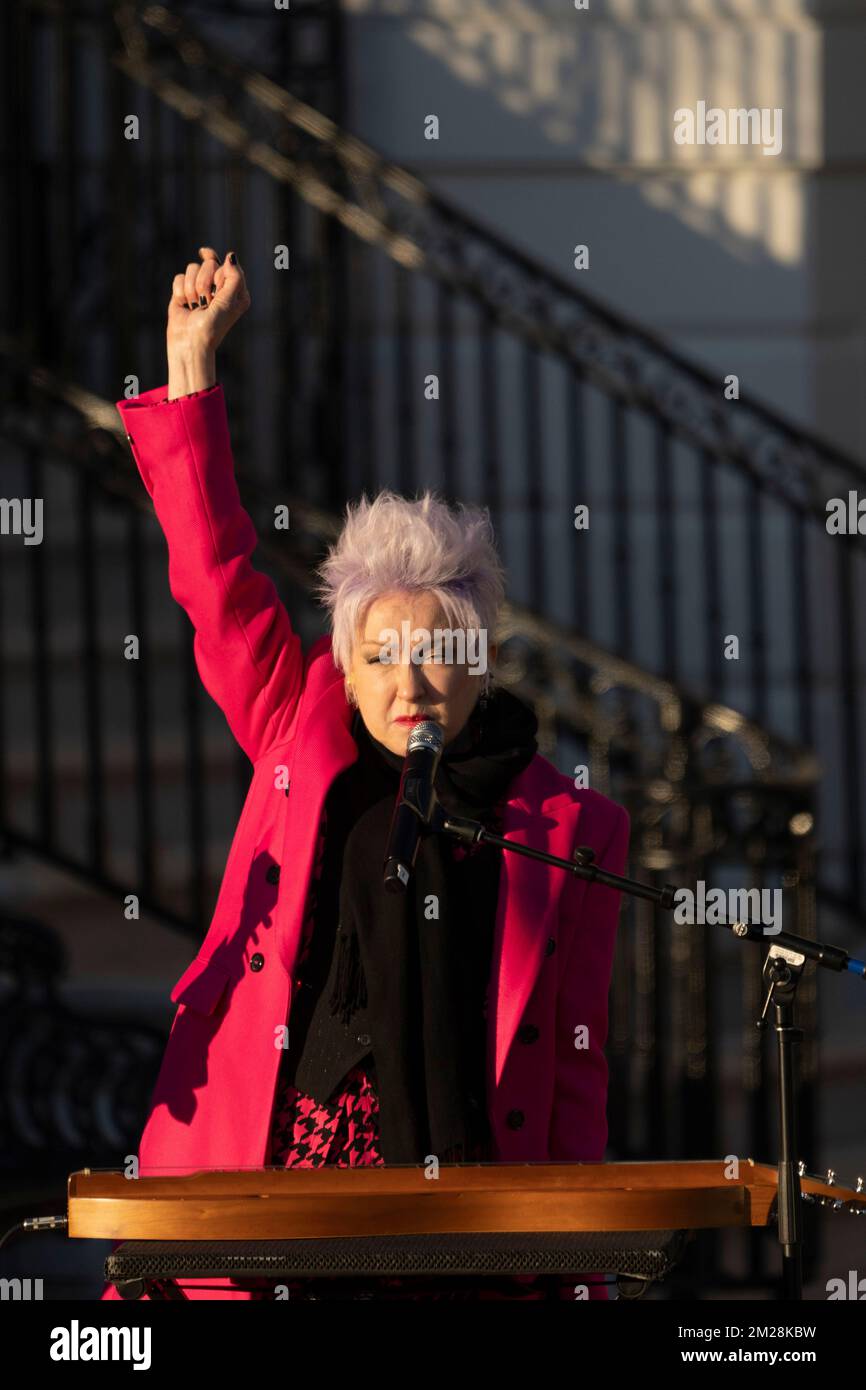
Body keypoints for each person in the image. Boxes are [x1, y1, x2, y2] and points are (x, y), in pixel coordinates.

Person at [100, 247, 630, 1302]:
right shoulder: (298, 732)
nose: (408, 681)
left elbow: (572, 1064)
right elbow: (217, 582)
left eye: (435, 652)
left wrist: (580, 1268)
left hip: (462, 1223)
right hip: (277, 1196)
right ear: (344, 663)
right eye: (379, 653)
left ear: (477, 665)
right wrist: (190, 367)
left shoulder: (571, 828)